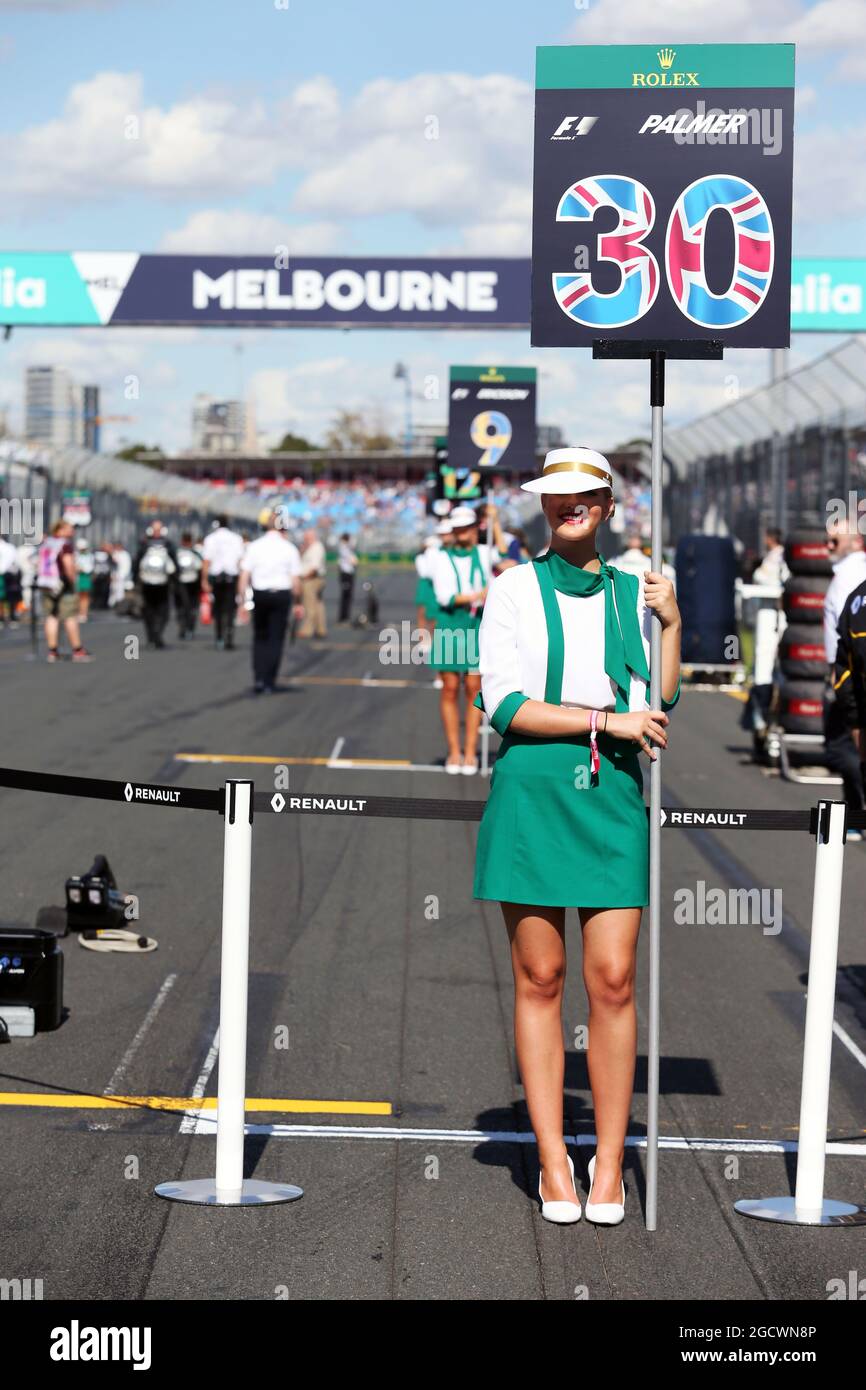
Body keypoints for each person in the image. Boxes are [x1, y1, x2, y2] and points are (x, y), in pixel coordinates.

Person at [473, 447, 681, 1225]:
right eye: (555, 496)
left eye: (582, 494)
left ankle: (611, 1162)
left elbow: (659, 704)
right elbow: (506, 705)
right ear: (543, 506)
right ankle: (555, 1157)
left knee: (615, 980)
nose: (569, 506)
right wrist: (603, 719)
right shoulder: (512, 590)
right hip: (532, 794)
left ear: (606, 500)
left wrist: (673, 624)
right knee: (540, 978)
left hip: (612, 797)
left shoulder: (635, 591)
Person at [429, 504, 503, 774]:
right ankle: (454, 752)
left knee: (473, 688)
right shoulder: (439, 557)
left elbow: (506, 555)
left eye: (467, 527)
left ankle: (470, 751)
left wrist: (495, 523)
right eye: (458, 528)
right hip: (451, 624)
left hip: (477, 626)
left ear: (475, 528)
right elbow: (443, 597)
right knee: (449, 688)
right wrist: (477, 595)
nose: (462, 533)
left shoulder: (485, 553)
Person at [823, 521, 866, 818]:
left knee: (840, 747)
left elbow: (847, 637)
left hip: (847, 674)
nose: (827, 547)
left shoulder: (849, 581)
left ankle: (853, 814)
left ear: (856, 541)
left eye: (834, 541)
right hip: (846, 670)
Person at [237, 510, 303, 694]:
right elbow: (296, 582)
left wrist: (242, 602)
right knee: (276, 638)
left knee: (260, 637)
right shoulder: (289, 548)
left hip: (260, 594)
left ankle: (259, 678)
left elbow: (243, 577)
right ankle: (269, 679)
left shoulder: (255, 547)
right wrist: (298, 602)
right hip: (281, 596)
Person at [36, 519, 92, 661]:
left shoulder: (46, 543)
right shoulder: (64, 545)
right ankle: (77, 650)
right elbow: (68, 565)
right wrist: (73, 582)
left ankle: (52, 651)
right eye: (69, 528)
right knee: (70, 616)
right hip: (62, 584)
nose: (72, 531)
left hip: (46, 583)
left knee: (52, 616)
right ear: (60, 529)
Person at [201, 515, 245, 650]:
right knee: (231, 608)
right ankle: (229, 636)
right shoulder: (236, 539)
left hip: (217, 578)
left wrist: (204, 580)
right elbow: (240, 561)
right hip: (232, 578)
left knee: (218, 609)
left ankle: (219, 636)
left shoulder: (210, 539)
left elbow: (206, 561)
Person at [133, 520, 178, 649]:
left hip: (163, 583)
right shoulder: (144, 544)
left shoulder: (168, 544)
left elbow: (174, 563)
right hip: (147, 583)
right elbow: (137, 562)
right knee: (148, 610)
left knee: (163, 611)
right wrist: (135, 580)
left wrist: (175, 581)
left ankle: (158, 634)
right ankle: (151, 636)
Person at [174, 530, 204, 640]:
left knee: (190, 608)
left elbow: (201, 568)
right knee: (183, 607)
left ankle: (189, 628)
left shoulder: (195, 554)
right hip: (181, 584)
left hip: (193, 585)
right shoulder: (177, 553)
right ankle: (183, 627)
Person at [298, 528, 328, 639]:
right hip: (312, 578)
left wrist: (303, 578)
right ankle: (321, 629)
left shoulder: (316, 548)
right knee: (318, 604)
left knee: (309, 605)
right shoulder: (310, 547)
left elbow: (314, 568)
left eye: (306, 537)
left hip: (312, 579)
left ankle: (307, 630)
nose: (304, 539)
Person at [337, 532, 358, 624]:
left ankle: (345, 616)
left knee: (347, 596)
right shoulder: (344, 548)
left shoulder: (346, 547)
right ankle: (344, 617)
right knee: (346, 596)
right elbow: (353, 561)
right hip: (346, 574)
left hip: (348, 573)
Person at [0, 533, 20, 628]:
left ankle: (12, 617)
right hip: (5, 575)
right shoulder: (9, 547)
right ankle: (2, 618)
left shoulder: (9, 547)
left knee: (11, 597)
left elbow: (13, 561)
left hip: (8, 576)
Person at [75, 537, 94, 622]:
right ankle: (78, 613)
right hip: (78, 577)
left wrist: (82, 569)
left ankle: (84, 614)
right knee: (78, 596)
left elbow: (90, 568)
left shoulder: (89, 556)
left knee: (85, 596)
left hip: (85, 577)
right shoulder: (76, 555)